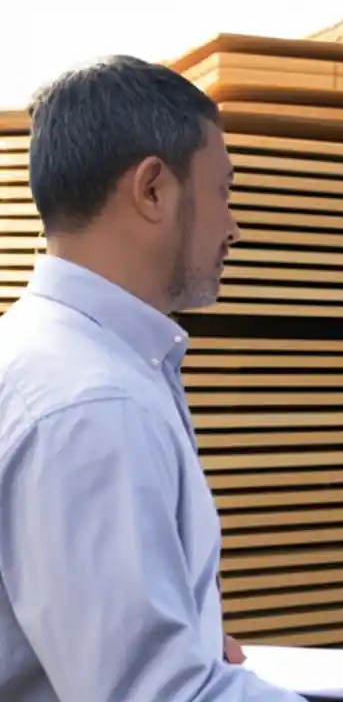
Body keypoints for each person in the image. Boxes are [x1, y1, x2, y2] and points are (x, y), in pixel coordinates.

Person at [0, 55, 308, 701]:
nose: (234, 226)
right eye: (224, 190)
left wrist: (183, 640)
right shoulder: (93, 405)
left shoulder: (44, 358)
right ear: (152, 190)